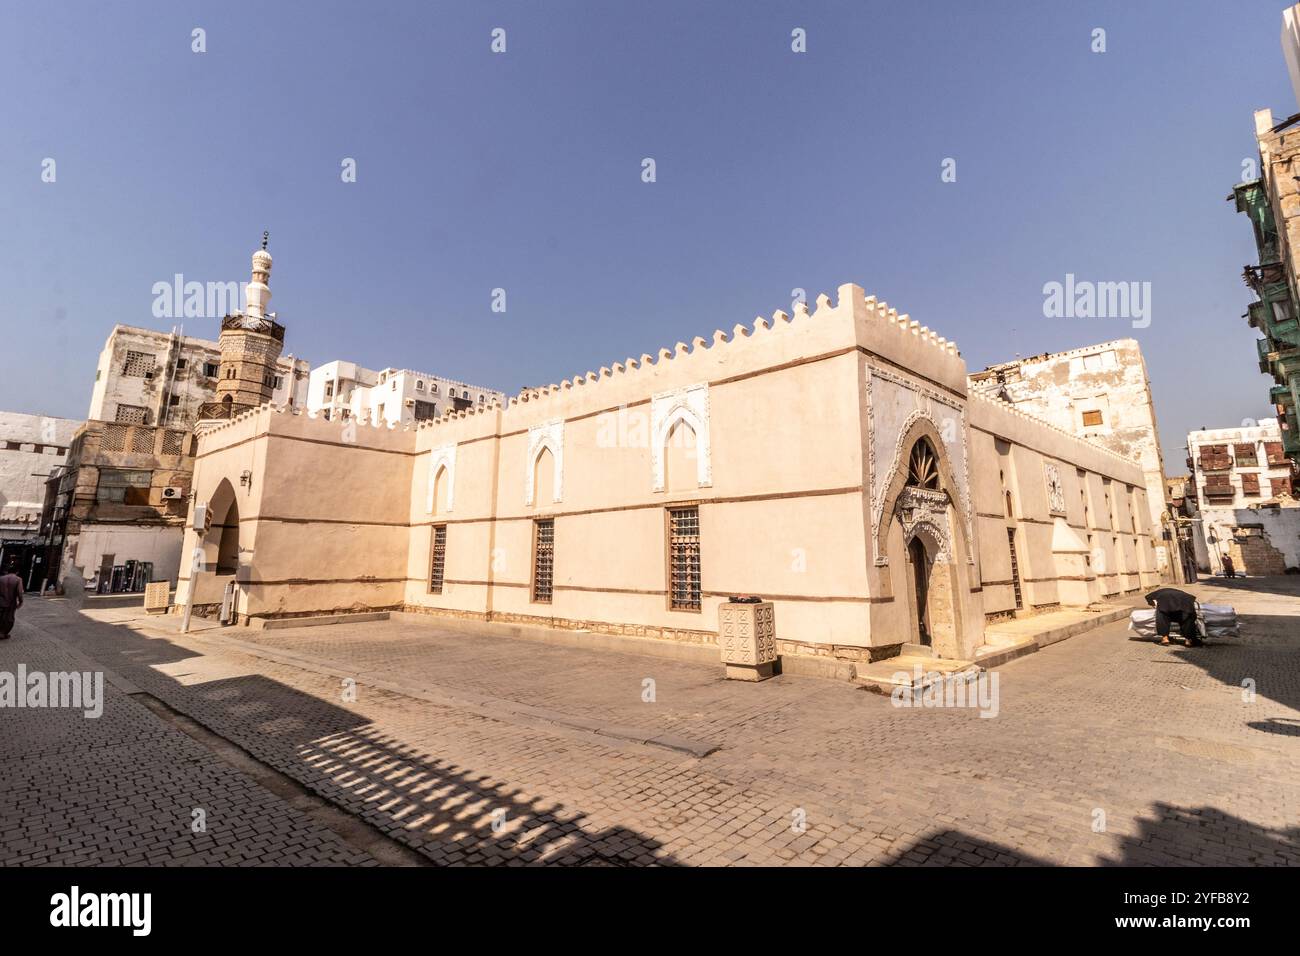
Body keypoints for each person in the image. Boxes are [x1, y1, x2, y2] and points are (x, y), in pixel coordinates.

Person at [0, 562, 24, 640]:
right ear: (17, 572)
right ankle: (3, 633)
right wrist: (20, 602)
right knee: (9, 618)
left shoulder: (1, 578)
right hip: (11, 602)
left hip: (1, 601)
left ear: (7, 571)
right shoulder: (18, 579)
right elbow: (20, 592)